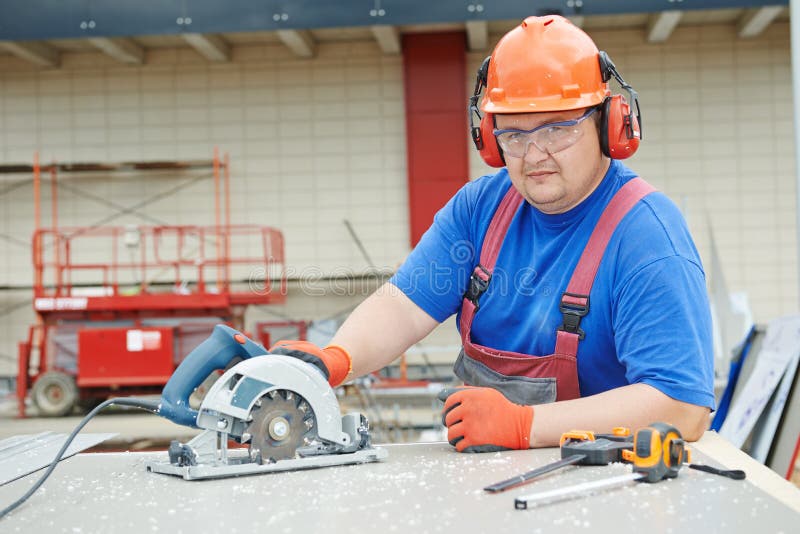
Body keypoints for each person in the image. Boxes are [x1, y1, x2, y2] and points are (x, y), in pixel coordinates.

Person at [271, 15, 714, 451]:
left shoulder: (647, 238)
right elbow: (403, 308)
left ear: (607, 125)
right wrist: (336, 358)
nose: (534, 153)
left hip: (602, 488)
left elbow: (681, 405)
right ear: (488, 137)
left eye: (558, 129)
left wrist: (526, 424)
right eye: (514, 135)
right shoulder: (482, 209)